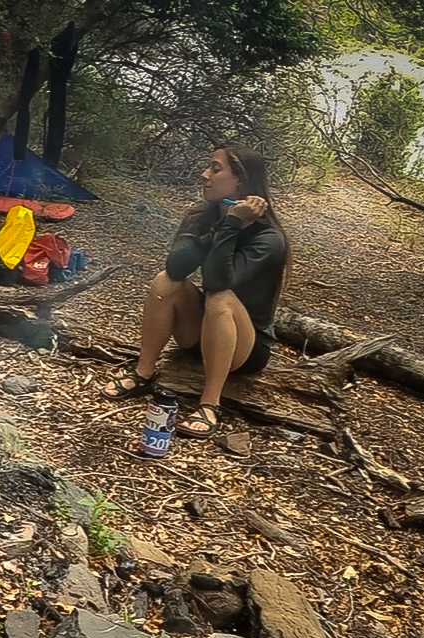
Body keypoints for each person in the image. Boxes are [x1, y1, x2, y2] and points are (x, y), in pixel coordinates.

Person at [100, 146, 289, 438]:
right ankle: (143, 372)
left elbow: (218, 282)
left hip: (245, 347)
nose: (205, 175)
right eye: (208, 167)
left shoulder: (269, 238)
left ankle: (210, 403)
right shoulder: (202, 216)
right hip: (202, 333)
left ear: (240, 180)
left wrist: (233, 226)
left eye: (215, 169)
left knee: (220, 298)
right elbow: (176, 267)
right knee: (166, 282)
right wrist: (226, 224)